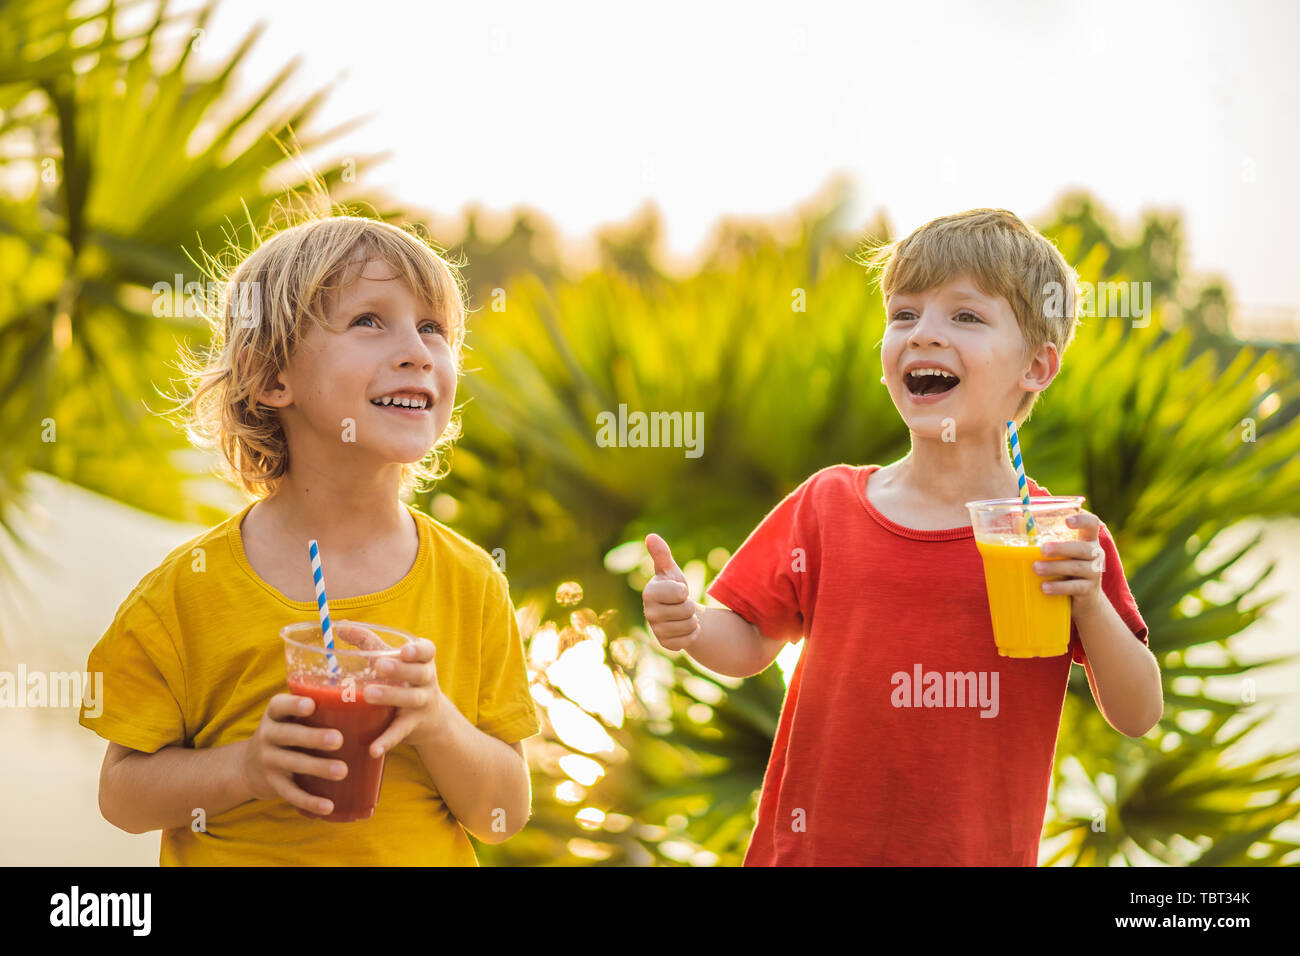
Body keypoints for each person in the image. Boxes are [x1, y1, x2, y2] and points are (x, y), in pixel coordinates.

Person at [642, 208, 1161, 866]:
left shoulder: (1057, 538)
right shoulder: (829, 505)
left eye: (965, 316)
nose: (924, 336)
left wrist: (1087, 600)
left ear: (1036, 366)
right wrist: (689, 624)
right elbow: (749, 642)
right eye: (904, 315)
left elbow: (1139, 711)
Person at [79, 215, 539, 865]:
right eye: (368, 322)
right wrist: (246, 770)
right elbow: (121, 796)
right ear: (272, 379)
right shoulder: (186, 591)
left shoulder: (472, 583)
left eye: (432, 327)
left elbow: (502, 814)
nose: (415, 350)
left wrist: (435, 720)